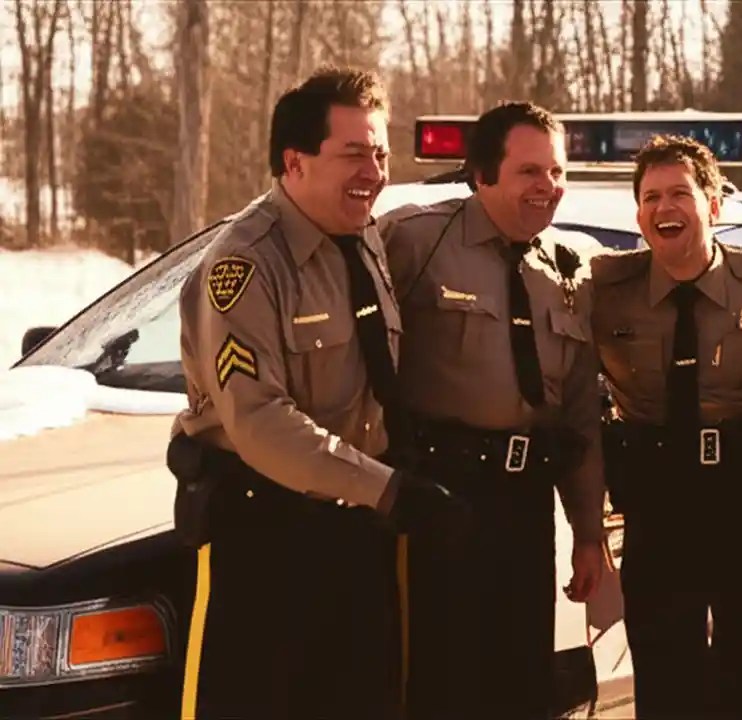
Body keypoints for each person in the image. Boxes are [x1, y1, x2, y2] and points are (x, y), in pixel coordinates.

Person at [169, 66, 453, 719]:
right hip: (268, 540)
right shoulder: (245, 264)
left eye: (380, 153)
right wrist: (388, 489)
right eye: (354, 153)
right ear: (294, 163)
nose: (375, 172)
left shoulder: (365, 242)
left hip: (357, 536)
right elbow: (261, 422)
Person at [376, 101, 606, 719]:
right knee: (441, 687)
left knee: (522, 687)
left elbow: (580, 412)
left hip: (526, 507)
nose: (548, 187)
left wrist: (587, 532)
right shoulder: (415, 238)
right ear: (482, 175)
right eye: (530, 172)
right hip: (438, 499)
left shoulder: (566, 266)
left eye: (557, 172)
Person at [593, 135, 742, 720]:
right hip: (659, 506)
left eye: (680, 194)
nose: (665, 209)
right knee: (665, 680)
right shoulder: (606, 295)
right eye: (651, 197)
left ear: (713, 206)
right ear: (638, 212)